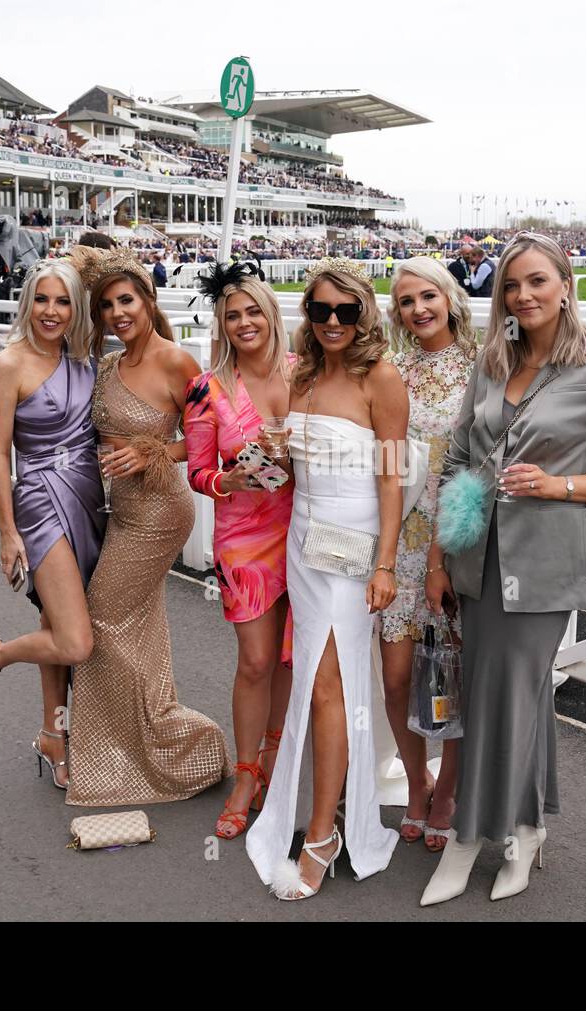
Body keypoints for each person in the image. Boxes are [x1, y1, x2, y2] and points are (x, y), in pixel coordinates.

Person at [421, 233, 586, 906]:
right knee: (513, 694)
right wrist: (437, 556)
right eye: (513, 286)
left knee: (505, 693)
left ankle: (472, 835)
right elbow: (458, 456)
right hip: (477, 555)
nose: (524, 295)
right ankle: (525, 826)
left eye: (538, 282)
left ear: (564, 285)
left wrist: (562, 485)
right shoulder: (493, 361)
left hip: (546, 563)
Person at [245, 258, 406, 901]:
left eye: (345, 311)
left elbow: (392, 476)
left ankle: (322, 832)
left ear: (363, 313)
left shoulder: (381, 379)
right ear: (306, 318)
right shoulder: (303, 374)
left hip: (355, 548)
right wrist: (260, 457)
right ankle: (320, 813)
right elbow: (282, 466)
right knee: (315, 681)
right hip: (303, 547)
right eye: (320, 311)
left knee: (326, 689)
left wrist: (387, 564)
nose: (333, 322)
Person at [64, 245, 230, 807]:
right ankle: (138, 744)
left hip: (160, 513)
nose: (118, 313)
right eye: (107, 304)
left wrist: (150, 452)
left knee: (101, 618)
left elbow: (211, 439)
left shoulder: (178, 363)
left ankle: (171, 743)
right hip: (118, 511)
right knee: (139, 628)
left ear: (148, 298)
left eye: (126, 300)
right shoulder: (107, 365)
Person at [0, 260, 106, 792]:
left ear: (76, 308)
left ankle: (53, 734)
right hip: (41, 505)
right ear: (27, 303)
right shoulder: (8, 365)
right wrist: (7, 531)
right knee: (74, 643)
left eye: (63, 301)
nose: (51, 311)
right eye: (42, 299)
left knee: (54, 623)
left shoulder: (88, 360)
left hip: (90, 501)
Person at [183, 263, 294, 839]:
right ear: (222, 326)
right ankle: (245, 773)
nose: (245, 322)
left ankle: (276, 759)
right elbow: (200, 471)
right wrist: (229, 483)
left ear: (271, 314)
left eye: (254, 311)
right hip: (243, 539)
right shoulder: (209, 387)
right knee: (255, 659)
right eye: (233, 315)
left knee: (289, 658)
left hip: (303, 532)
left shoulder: (307, 375)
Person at [379, 256, 478, 852]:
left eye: (427, 296)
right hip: (397, 536)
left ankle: (449, 793)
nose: (418, 309)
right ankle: (417, 781)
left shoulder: (483, 366)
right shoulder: (391, 368)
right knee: (396, 678)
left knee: (454, 675)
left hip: (458, 538)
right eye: (406, 301)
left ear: (449, 297)